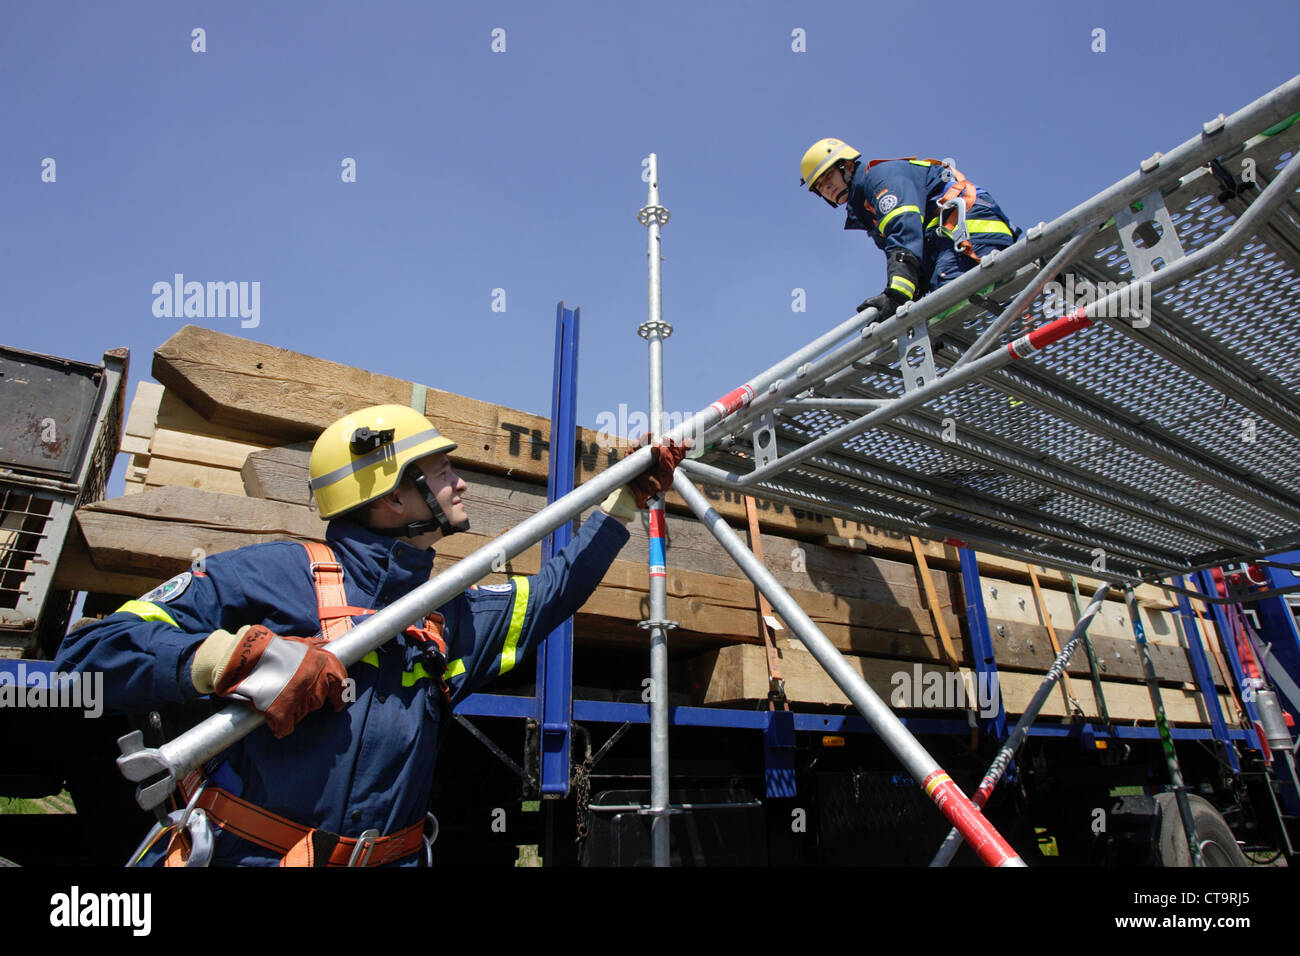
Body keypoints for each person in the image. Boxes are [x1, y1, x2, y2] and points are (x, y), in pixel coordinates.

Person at [55, 403, 686, 866]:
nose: (461, 483)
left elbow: (555, 590)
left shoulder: (447, 618)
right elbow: (87, 655)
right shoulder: (276, 576)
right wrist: (226, 658)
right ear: (391, 496)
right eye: (442, 471)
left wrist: (625, 501)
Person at [798, 138, 1022, 319]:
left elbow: (904, 233)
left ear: (847, 166)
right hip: (948, 241)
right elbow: (911, 254)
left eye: (828, 175)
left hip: (968, 234)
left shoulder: (880, 179)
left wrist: (896, 296)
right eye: (819, 186)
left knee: (946, 309)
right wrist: (906, 299)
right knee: (936, 311)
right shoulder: (866, 207)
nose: (826, 187)